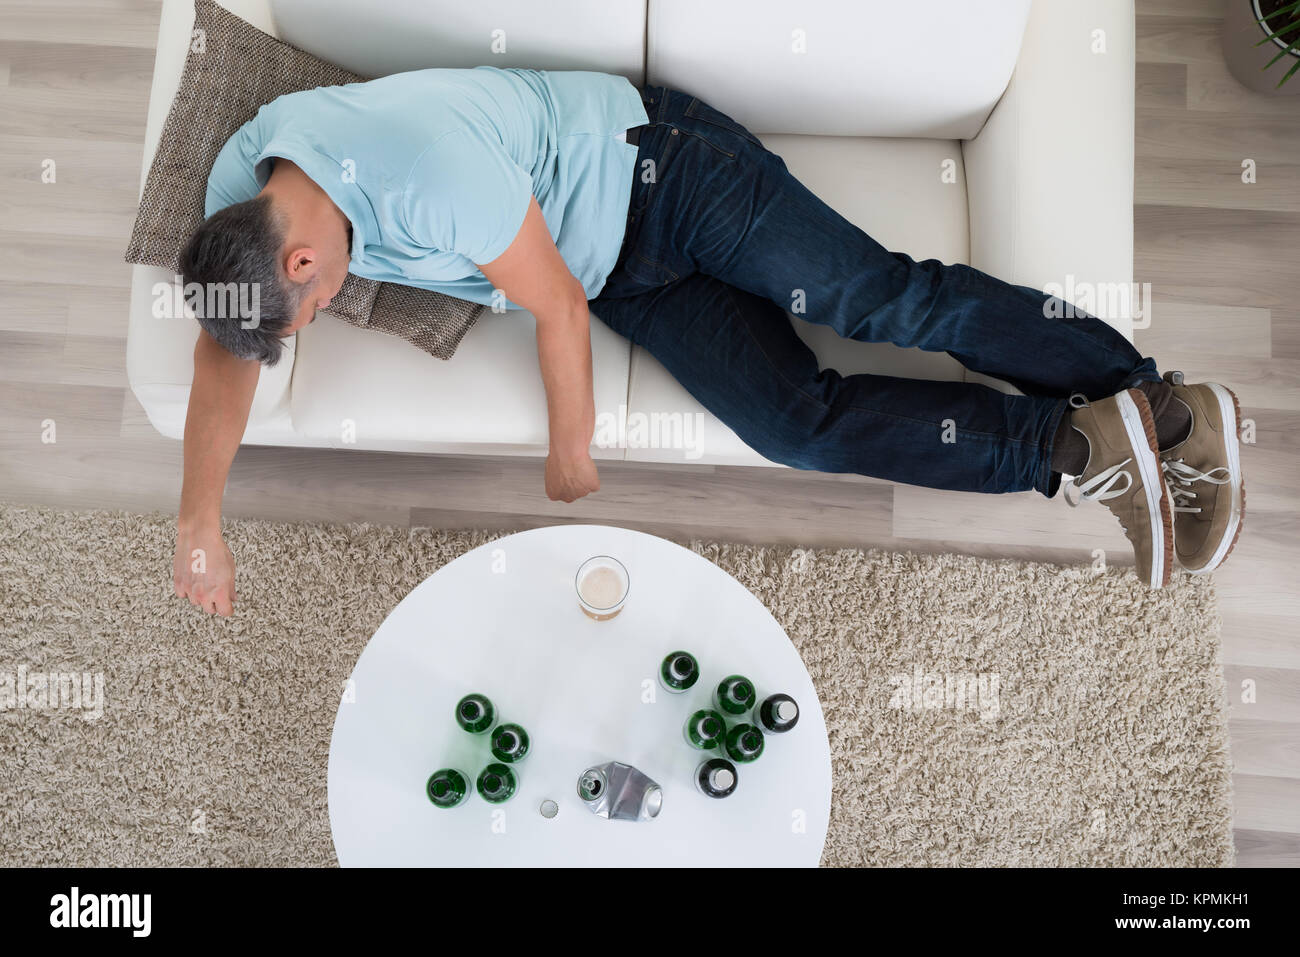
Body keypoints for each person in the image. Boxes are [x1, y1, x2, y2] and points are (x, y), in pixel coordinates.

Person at [173, 66, 1244, 616]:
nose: (314, 322)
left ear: (301, 268)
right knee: (795, 428)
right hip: (621, 274)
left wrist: (570, 450)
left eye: (306, 314)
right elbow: (227, 351)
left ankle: (1158, 403)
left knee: (879, 302)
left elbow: (547, 307)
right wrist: (199, 522)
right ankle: (1081, 449)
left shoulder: (420, 174)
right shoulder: (244, 193)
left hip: (667, 177)